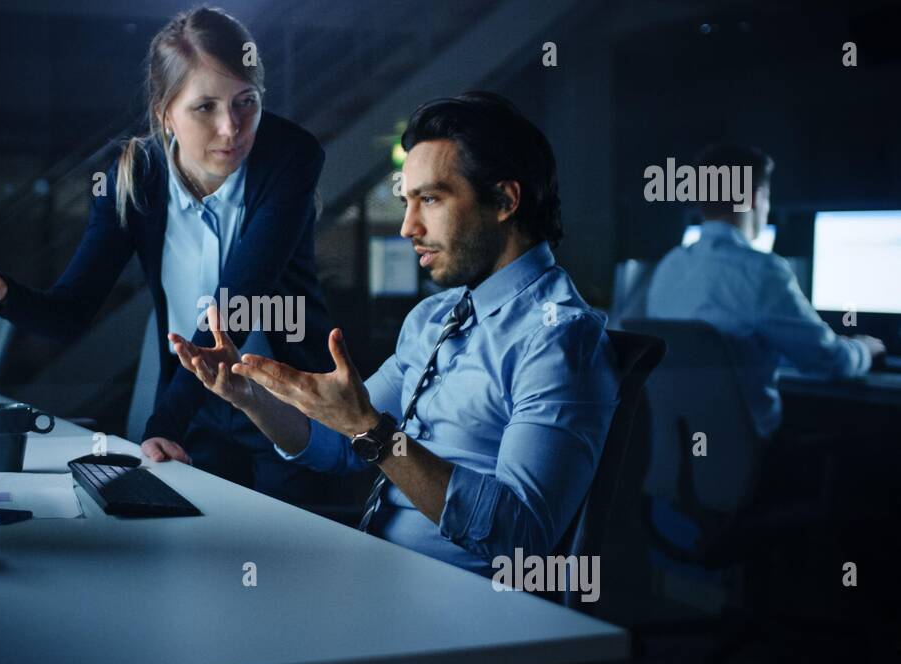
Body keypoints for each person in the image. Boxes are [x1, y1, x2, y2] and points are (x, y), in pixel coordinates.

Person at [170, 92, 621, 575]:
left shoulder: (559, 338)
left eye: (430, 199)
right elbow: (343, 445)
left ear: (505, 200)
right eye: (408, 201)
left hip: (463, 609)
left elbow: (523, 541)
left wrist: (374, 432)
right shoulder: (434, 318)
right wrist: (250, 398)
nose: (408, 226)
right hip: (380, 576)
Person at [0, 6, 337, 509]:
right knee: (193, 562)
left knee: (296, 563)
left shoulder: (290, 155)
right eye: (205, 107)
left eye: (247, 102)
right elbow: (70, 313)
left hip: (289, 402)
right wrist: (4, 293)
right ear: (165, 111)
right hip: (196, 411)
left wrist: (161, 426)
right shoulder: (134, 180)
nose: (231, 128)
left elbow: (234, 307)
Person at [643, 144, 885, 438]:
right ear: (756, 197)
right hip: (749, 452)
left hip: (675, 453)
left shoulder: (669, 266)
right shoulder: (761, 271)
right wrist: (864, 349)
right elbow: (828, 361)